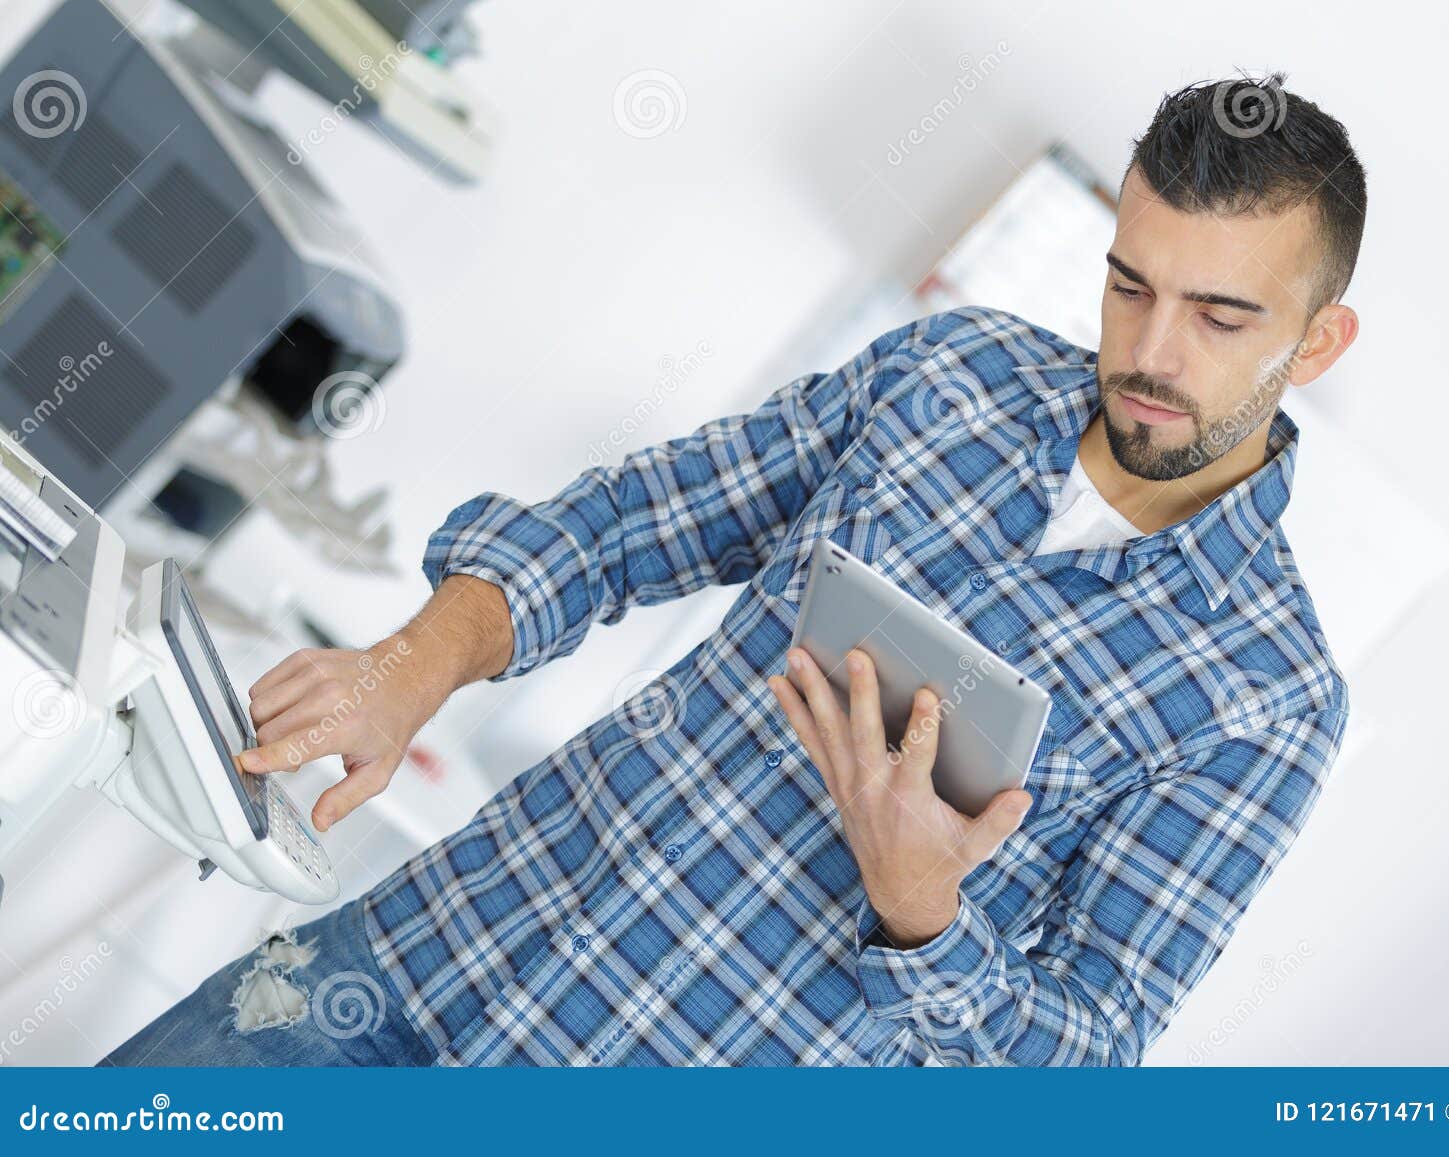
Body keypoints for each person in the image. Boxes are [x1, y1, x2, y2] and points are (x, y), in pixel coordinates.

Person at [101, 71, 1364, 1067]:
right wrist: (412, 666)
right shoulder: (952, 374)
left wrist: (921, 907)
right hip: (404, 972)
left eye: (1219, 315)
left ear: (1316, 342)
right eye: (1129, 286)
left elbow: (1085, 1055)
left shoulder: (1267, 698)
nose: (1148, 351)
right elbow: (626, 524)